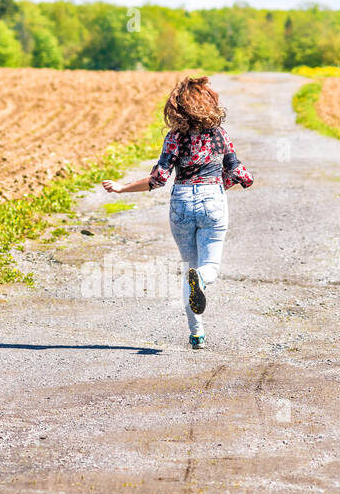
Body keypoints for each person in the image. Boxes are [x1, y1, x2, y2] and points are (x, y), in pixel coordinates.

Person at [102, 76, 253, 349]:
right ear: (209, 104)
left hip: (181, 201)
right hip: (213, 199)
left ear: (178, 108)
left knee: (189, 268)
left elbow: (158, 179)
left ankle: (197, 333)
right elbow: (243, 176)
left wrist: (121, 188)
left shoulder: (175, 138)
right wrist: (220, 186)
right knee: (210, 268)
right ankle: (202, 280)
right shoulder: (220, 135)